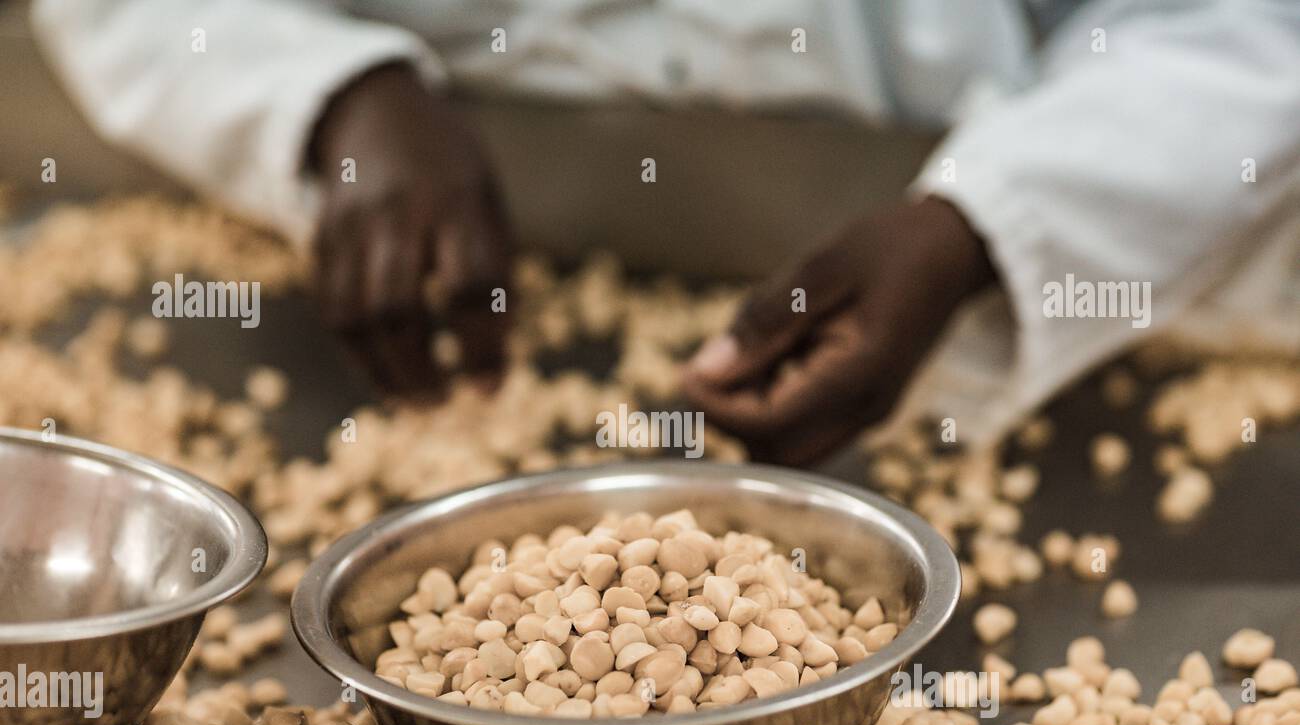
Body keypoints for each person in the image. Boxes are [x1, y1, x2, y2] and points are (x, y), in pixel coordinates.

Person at [32, 0, 1300, 462]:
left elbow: (1240, 29)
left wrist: (989, 222)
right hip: (473, 187)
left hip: (1040, 226)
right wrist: (324, 98)